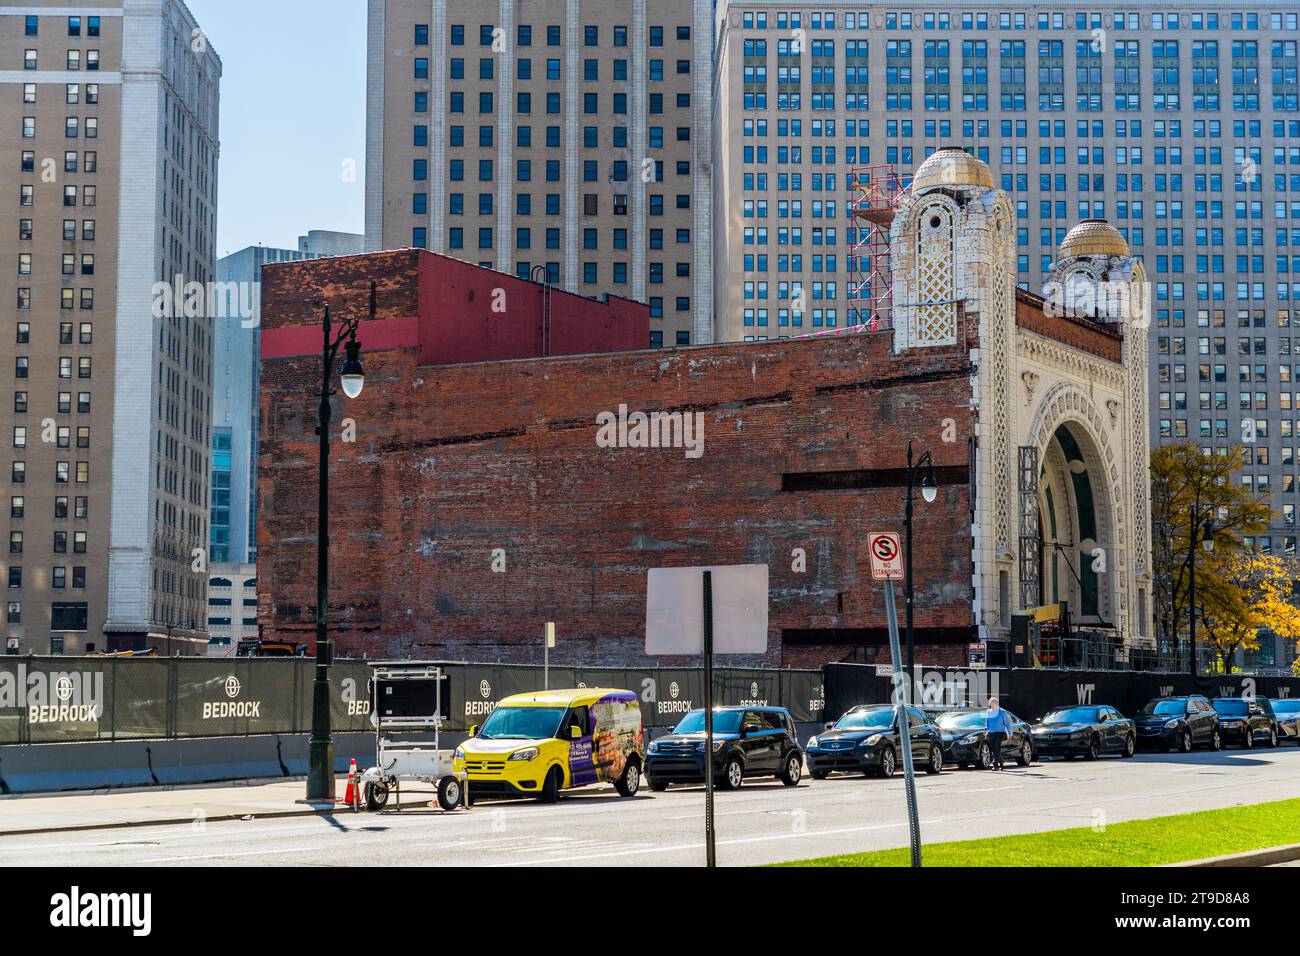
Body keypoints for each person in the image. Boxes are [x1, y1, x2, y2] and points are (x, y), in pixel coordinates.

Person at [985, 697, 1014, 770]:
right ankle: (1001, 763)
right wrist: (987, 732)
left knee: (997, 746)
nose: (990, 704)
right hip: (991, 733)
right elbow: (987, 723)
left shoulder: (1002, 712)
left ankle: (995, 765)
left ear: (996, 703)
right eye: (990, 703)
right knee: (994, 750)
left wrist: (1010, 734)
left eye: (992, 703)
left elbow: (1007, 724)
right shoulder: (988, 712)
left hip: (1000, 732)